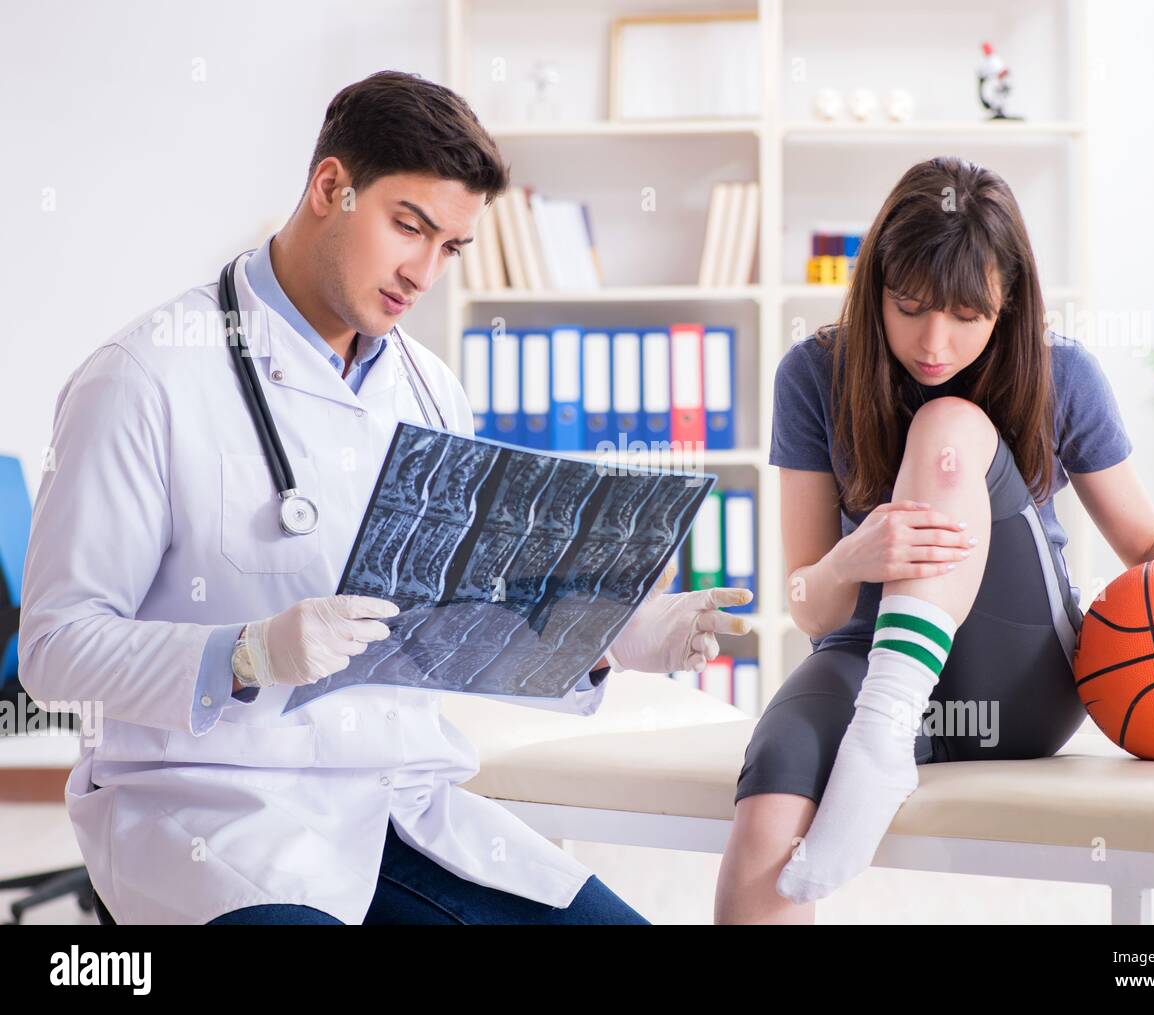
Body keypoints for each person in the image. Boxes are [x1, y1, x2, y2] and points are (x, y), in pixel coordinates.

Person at [18, 70, 750, 926]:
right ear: (332, 186)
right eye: (409, 226)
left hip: (400, 804)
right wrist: (246, 654)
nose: (424, 272)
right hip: (215, 816)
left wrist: (609, 639)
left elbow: (461, 625)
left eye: (451, 247)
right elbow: (56, 650)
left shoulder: (431, 389)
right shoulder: (146, 378)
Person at [713, 155, 1154, 924]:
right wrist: (852, 559)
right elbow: (810, 609)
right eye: (909, 305)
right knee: (775, 768)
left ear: (1008, 301)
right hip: (863, 658)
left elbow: (1145, 539)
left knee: (947, 427)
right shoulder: (814, 373)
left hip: (1015, 683)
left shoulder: (1061, 372)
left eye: (967, 315)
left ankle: (882, 730)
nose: (934, 342)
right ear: (874, 285)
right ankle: (880, 735)